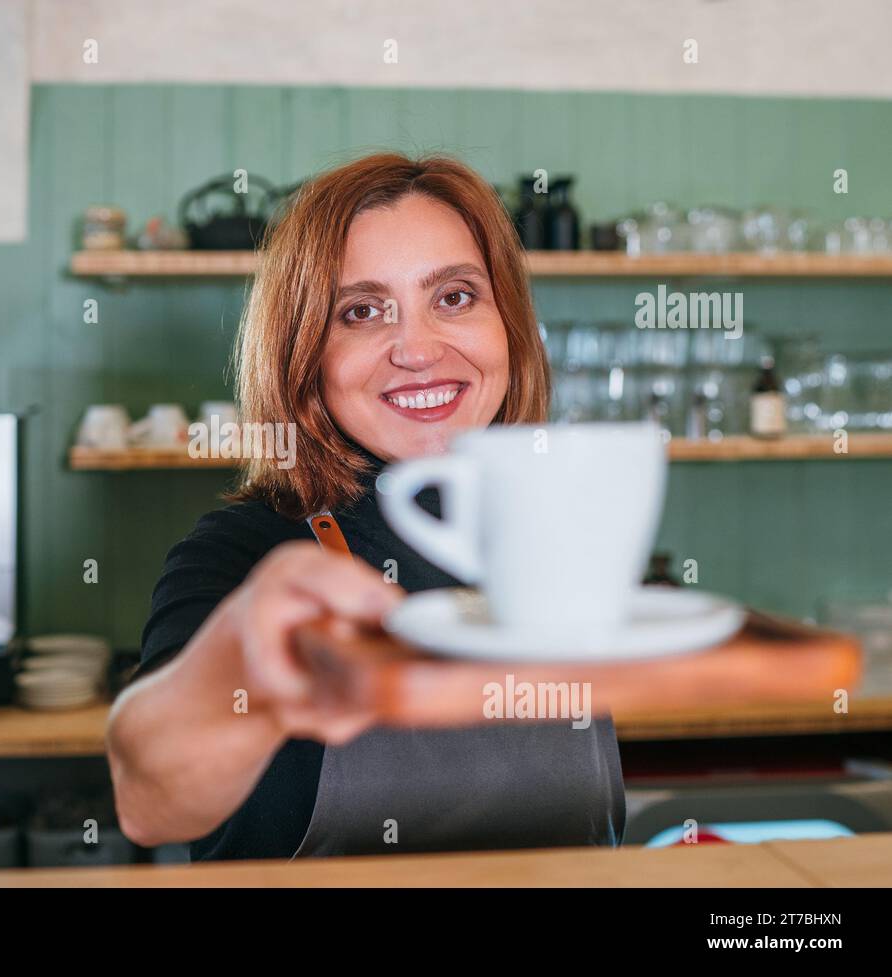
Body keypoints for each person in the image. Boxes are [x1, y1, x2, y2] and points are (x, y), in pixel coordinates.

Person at [106, 152, 624, 860]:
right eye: (361, 311)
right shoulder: (245, 551)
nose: (416, 349)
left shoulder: (551, 539)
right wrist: (242, 653)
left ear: (508, 322)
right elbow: (149, 794)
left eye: (454, 297)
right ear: (305, 355)